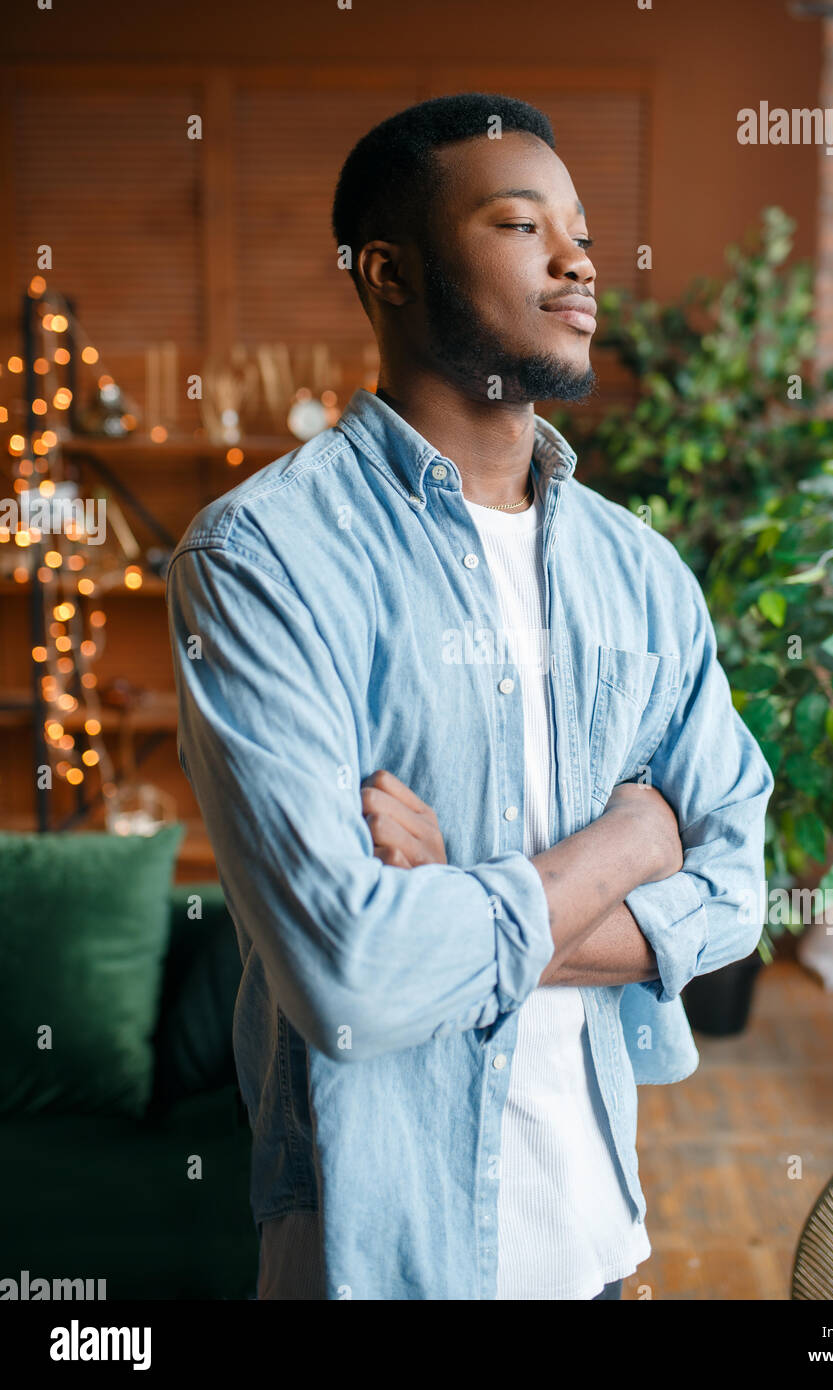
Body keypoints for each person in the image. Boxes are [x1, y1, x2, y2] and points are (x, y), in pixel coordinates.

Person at [166, 91, 774, 1301]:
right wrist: (633, 838)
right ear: (388, 273)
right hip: (383, 1257)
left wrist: (457, 898)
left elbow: (741, 892)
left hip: (598, 1238)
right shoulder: (262, 561)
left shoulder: (637, 572)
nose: (579, 260)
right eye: (520, 222)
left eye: (582, 228)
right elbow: (356, 972)